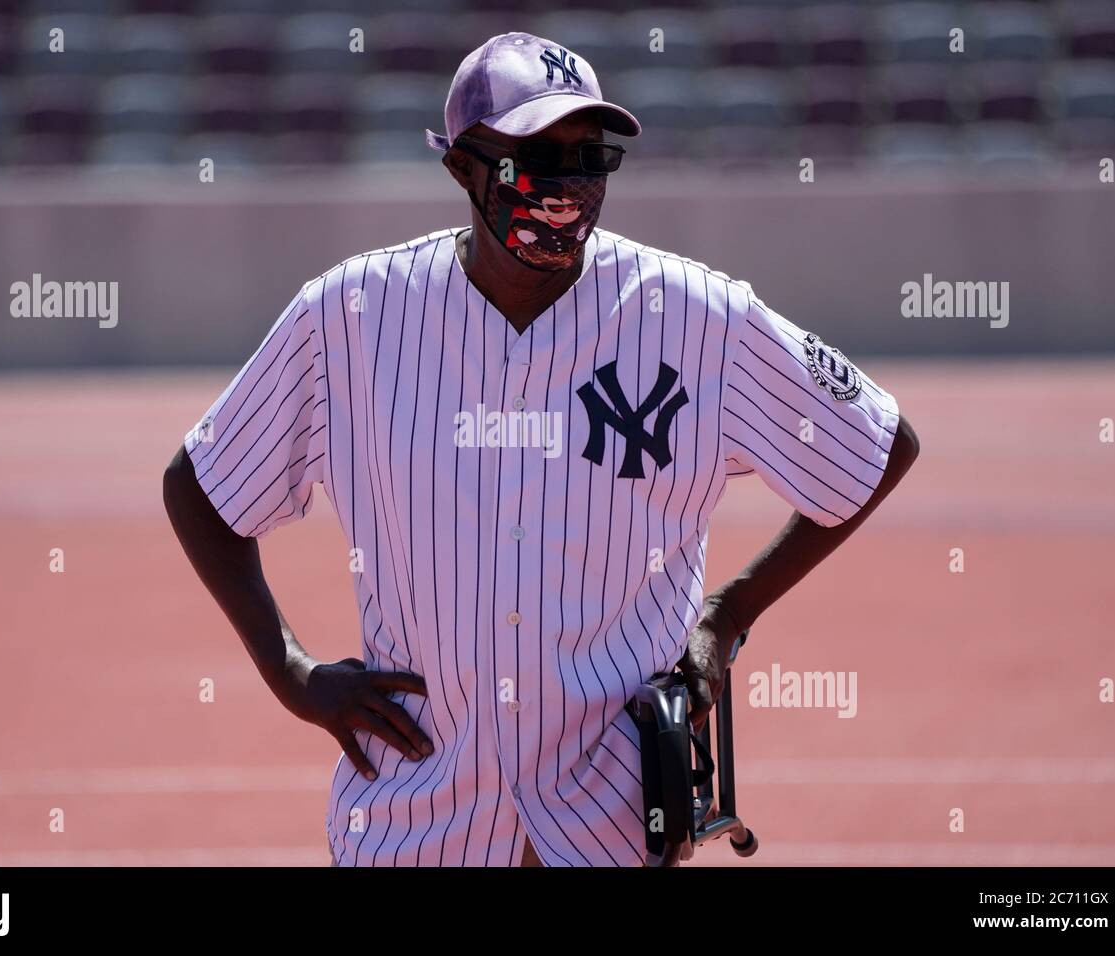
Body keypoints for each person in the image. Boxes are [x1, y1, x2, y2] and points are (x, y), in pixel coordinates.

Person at [163, 32, 920, 867]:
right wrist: (293, 673)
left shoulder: (701, 317)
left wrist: (729, 614)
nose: (566, 184)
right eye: (536, 155)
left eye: (588, 156)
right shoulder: (348, 318)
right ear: (462, 168)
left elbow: (876, 443)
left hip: (612, 816)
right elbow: (201, 485)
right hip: (416, 820)